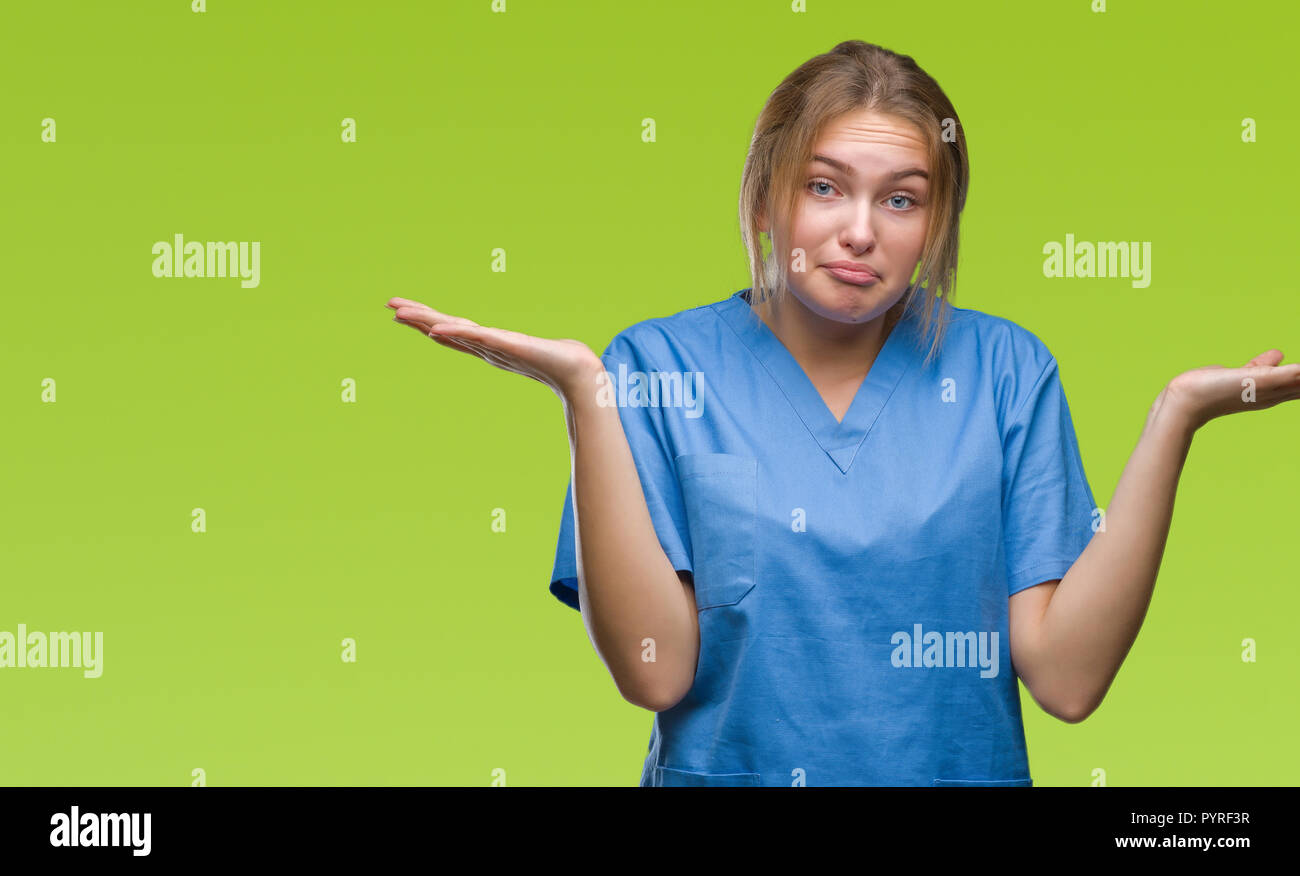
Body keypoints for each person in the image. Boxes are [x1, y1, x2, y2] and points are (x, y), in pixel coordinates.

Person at [386, 40, 1300, 787]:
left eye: (901, 199)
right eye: (824, 186)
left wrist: (1176, 418)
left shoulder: (1006, 373)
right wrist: (586, 395)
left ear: (936, 224)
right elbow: (654, 671)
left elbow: (1066, 679)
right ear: (767, 195)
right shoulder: (656, 370)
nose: (860, 229)